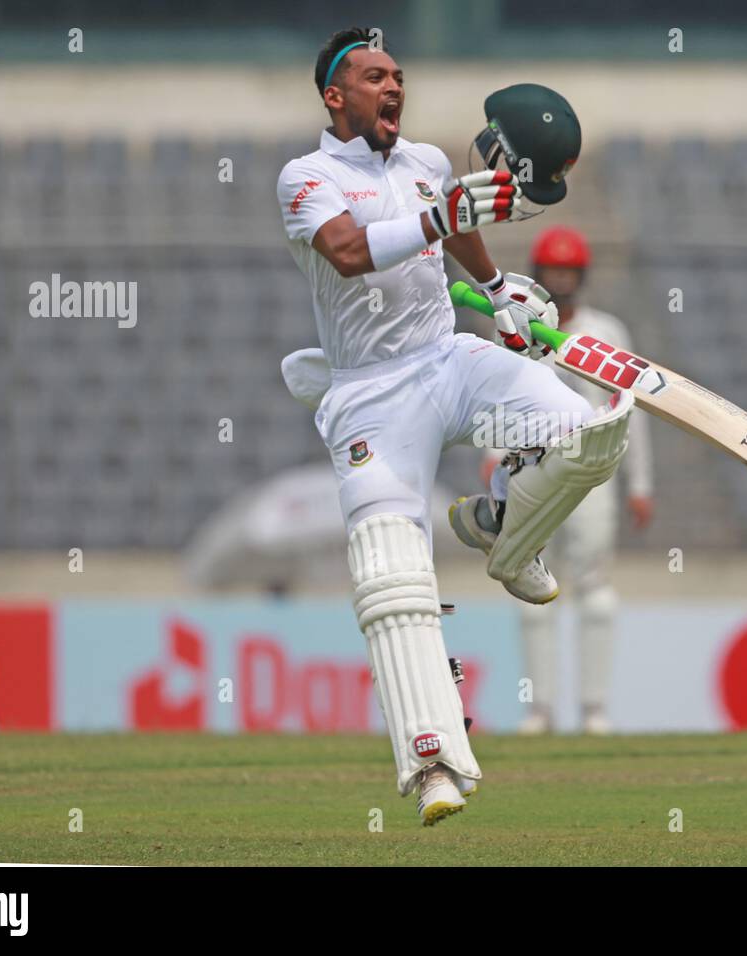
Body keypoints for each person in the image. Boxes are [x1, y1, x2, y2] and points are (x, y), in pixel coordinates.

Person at [276, 28, 631, 826]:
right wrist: (441, 217)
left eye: (397, 75)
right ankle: (434, 763)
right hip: (370, 393)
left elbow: (457, 230)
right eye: (372, 76)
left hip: (447, 358)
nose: (391, 85)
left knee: (586, 430)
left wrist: (499, 287)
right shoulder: (306, 177)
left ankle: (504, 526)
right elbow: (348, 252)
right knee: (391, 575)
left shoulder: (430, 164)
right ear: (335, 96)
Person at [479, 227, 654, 735]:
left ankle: (594, 709)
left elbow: (630, 411)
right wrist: (492, 452)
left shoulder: (609, 332)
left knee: (594, 588)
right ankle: (540, 710)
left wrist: (640, 484)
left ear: (581, 277)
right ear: (538, 275)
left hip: (595, 475)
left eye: (567, 272)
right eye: (552, 272)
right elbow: (496, 393)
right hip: (531, 470)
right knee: (530, 584)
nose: (560, 280)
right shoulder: (513, 326)